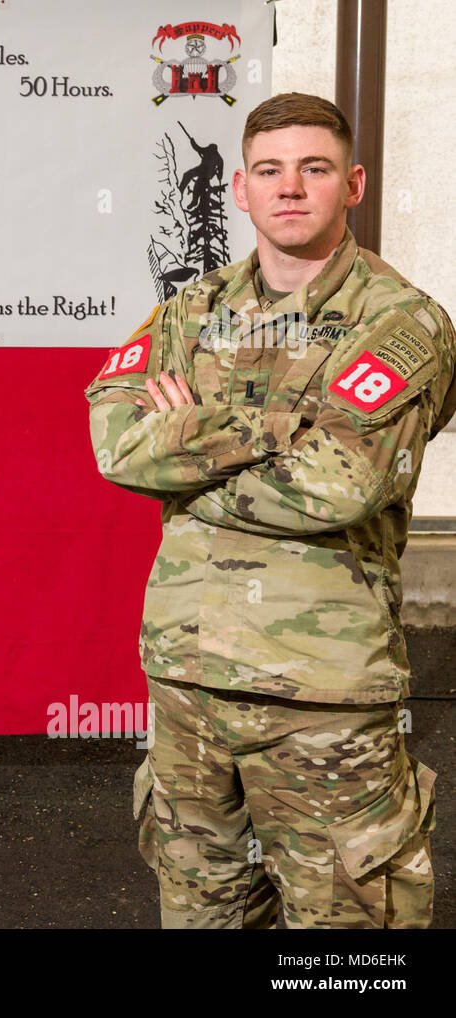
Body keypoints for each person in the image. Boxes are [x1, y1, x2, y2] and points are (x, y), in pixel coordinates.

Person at [85, 93, 456, 928]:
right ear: (241, 191)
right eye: (269, 171)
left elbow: (339, 485)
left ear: (353, 185)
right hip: (188, 681)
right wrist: (282, 428)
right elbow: (116, 444)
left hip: (321, 696)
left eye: (314, 169)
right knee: (201, 916)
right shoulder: (190, 310)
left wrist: (186, 446)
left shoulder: (402, 323)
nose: (291, 188)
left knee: (346, 944)